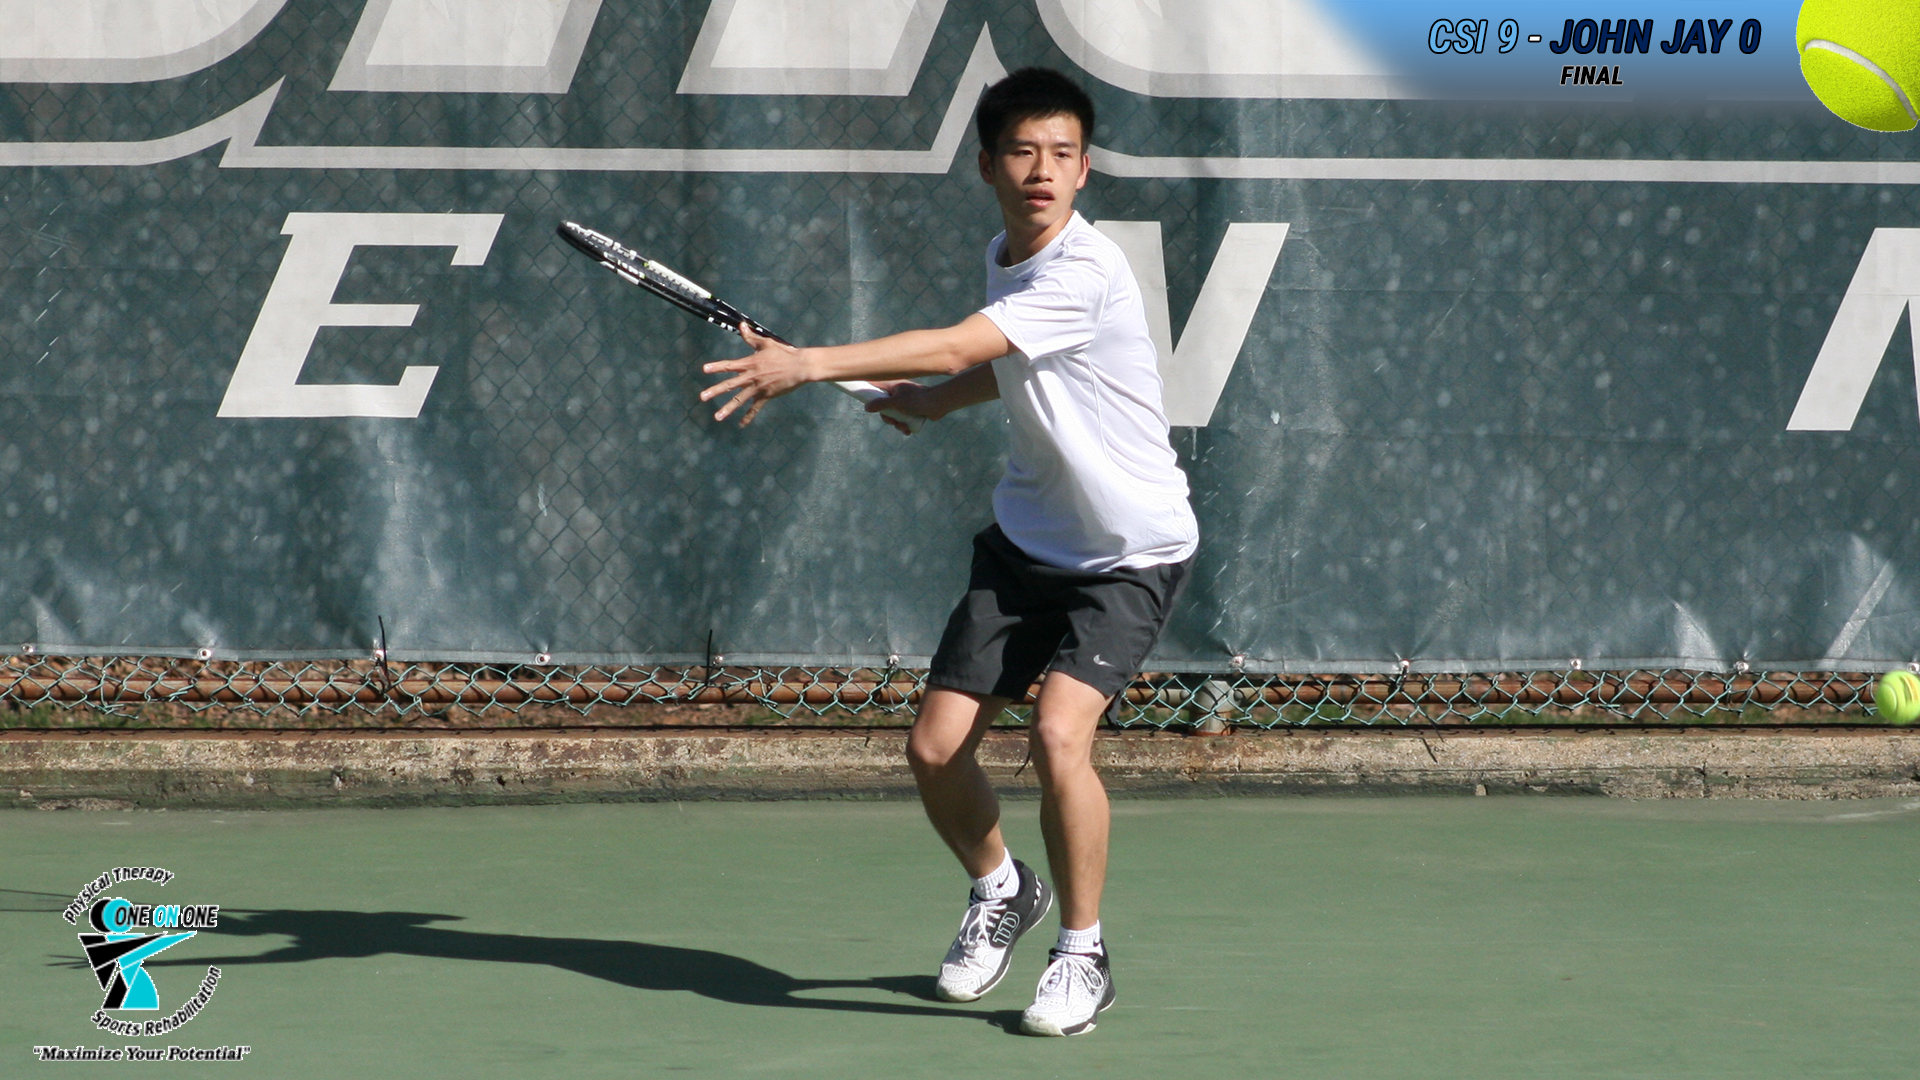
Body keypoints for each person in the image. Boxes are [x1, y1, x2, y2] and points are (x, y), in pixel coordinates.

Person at [698, 67, 1198, 1038]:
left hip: (1128, 555)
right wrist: (938, 404)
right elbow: (1009, 367)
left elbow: (956, 343)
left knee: (1060, 735)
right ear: (987, 166)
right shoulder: (1005, 252)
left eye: (1061, 155)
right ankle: (1003, 890)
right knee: (933, 748)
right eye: (1022, 152)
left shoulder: (1084, 270)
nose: (1042, 172)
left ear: (1086, 169)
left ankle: (1084, 953)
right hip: (1028, 542)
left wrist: (810, 364)